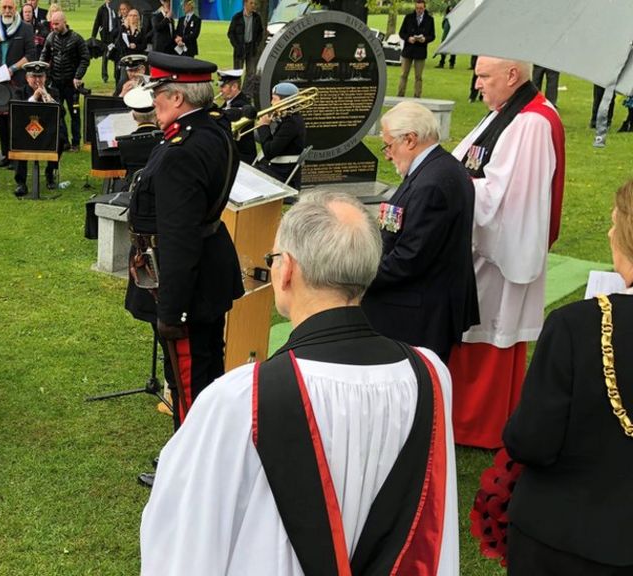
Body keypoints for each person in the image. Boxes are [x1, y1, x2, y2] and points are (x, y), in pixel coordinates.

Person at [141, 192, 459, 575]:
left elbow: (183, 542)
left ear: (287, 269)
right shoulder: (430, 374)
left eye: (273, 259)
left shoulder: (240, 401)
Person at [502, 179, 633, 575]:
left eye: (615, 222)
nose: (610, 232)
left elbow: (531, 440)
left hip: (566, 537)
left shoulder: (578, 326)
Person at [123, 51, 243, 436]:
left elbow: (179, 237)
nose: (153, 99)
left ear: (178, 98)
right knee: (208, 372)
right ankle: (212, 458)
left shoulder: (183, 151)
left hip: (186, 287)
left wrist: (172, 312)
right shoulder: (214, 129)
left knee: (189, 383)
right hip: (209, 272)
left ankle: (193, 471)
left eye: (158, 91)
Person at [449, 56, 565, 449]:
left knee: (491, 330)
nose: (477, 83)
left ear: (512, 75)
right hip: (483, 247)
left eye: (484, 76)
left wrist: (452, 187)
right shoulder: (506, 112)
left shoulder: (531, 122)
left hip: (499, 254)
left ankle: (475, 426)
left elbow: (512, 201)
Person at [361, 102, 478, 364]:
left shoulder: (432, 184)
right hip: (419, 307)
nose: (387, 155)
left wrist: (359, 276)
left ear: (410, 140)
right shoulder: (436, 168)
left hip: (416, 316)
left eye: (389, 145)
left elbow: (410, 257)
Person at [0, 0, 36, 167]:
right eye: (4, 7)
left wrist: (12, 68)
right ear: (0, 8)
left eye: (10, 7)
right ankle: (6, 155)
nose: (7, 10)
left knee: (16, 120)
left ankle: (16, 156)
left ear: (15, 8)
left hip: (16, 81)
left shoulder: (25, 28)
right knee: (1, 121)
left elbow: (31, 54)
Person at [11, 60, 65, 197]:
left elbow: (62, 113)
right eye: (33, 77)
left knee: (61, 138)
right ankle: (21, 182)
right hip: (26, 131)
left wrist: (48, 98)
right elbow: (17, 113)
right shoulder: (19, 92)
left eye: (40, 76)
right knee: (17, 139)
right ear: (27, 78)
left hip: (47, 131)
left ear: (45, 78)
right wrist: (34, 98)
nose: (37, 80)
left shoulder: (53, 92)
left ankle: (50, 173)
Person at [41, 11, 88, 150]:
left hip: (71, 83)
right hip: (55, 82)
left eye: (56, 24)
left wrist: (78, 76)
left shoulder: (77, 38)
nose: (54, 26)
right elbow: (44, 57)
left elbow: (85, 58)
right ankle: (64, 141)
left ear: (64, 22)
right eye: (52, 24)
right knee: (58, 112)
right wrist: (44, 75)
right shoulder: (50, 37)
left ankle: (75, 142)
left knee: (74, 113)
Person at [254, 81, 306, 188]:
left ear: (286, 101)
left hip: (283, 176)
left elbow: (269, 152)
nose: (271, 102)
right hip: (278, 170)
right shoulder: (288, 118)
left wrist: (264, 126)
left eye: (274, 98)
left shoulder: (291, 123)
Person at [216, 68, 255, 164]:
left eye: (223, 86)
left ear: (234, 87)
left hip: (241, 157)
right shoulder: (229, 102)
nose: (220, 90)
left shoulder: (241, 104)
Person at [397, 0, 434, 98]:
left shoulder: (429, 19)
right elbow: (401, 33)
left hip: (420, 51)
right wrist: (408, 38)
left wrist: (425, 39)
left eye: (421, 8)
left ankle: (417, 96)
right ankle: (400, 95)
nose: (419, 10)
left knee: (418, 76)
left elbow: (432, 36)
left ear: (424, 8)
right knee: (404, 74)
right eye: (417, 8)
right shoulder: (408, 18)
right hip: (408, 50)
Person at [226, 0, 262, 76]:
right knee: (237, 74)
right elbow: (230, 33)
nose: (253, 5)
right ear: (245, 3)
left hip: (251, 49)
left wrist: (256, 43)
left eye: (254, 3)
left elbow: (260, 32)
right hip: (240, 50)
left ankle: (248, 88)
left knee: (251, 74)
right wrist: (236, 46)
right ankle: (237, 88)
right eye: (251, 3)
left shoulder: (257, 18)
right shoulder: (237, 17)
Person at [91, 0, 118, 84]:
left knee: (116, 55)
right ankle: (104, 76)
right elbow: (97, 23)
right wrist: (93, 38)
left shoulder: (117, 7)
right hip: (105, 36)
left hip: (115, 35)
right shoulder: (101, 9)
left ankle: (116, 75)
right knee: (105, 56)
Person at [435, 2, 454, 69]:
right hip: (445, 35)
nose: (451, 9)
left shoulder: (455, 17)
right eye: (450, 8)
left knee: (453, 50)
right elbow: (443, 25)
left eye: (452, 8)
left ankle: (451, 63)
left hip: (452, 35)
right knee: (443, 49)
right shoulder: (446, 17)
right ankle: (442, 63)